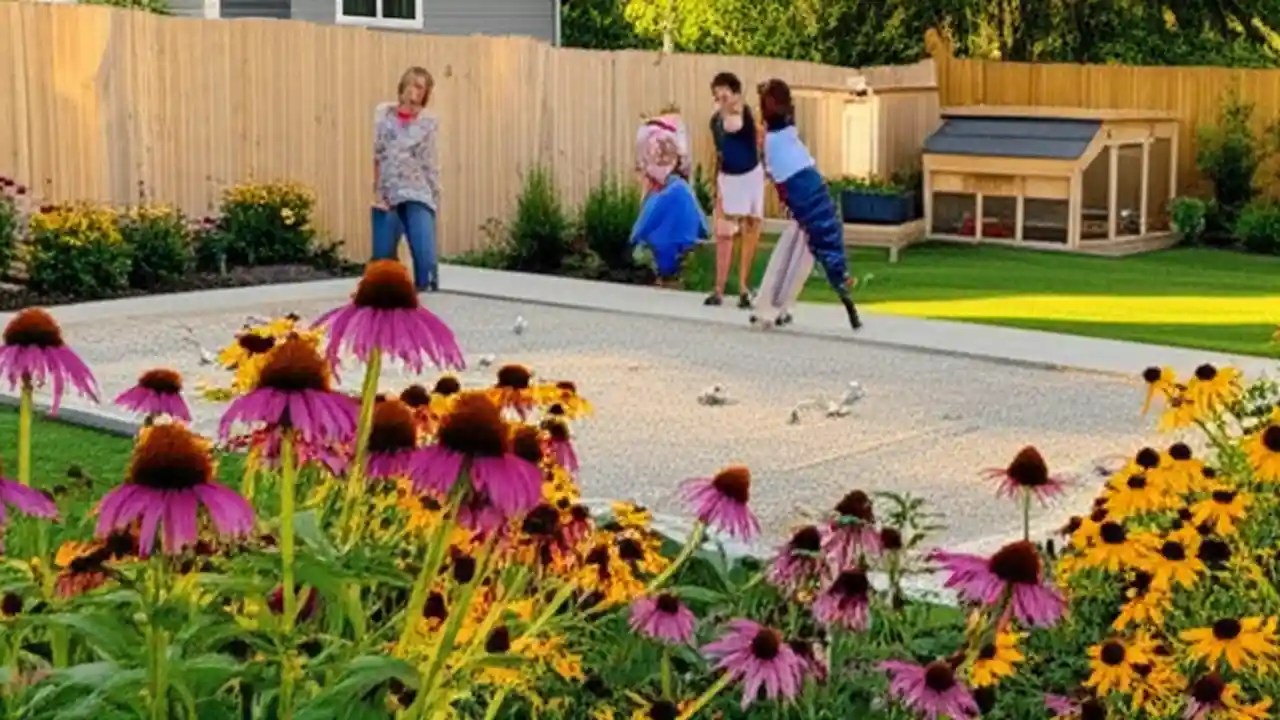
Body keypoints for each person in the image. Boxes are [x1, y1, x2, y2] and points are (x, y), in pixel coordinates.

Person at [757, 78, 862, 331]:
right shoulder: (788, 131)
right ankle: (839, 283)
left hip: (800, 189)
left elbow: (774, 173)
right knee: (822, 238)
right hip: (811, 180)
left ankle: (771, 307)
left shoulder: (771, 140)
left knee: (804, 244)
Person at [372, 66, 441, 292]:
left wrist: (434, 196)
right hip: (388, 194)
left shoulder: (427, 123)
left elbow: (429, 162)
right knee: (382, 263)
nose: (415, 91)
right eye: (412, 84)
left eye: (421, 87)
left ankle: (425, 295)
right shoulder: (383, 116)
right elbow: (378, 155)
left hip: (417, 193)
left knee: (425, 260)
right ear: (403, 86)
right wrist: (377, 193)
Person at [630, 109, 709, 287]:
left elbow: (644, 221)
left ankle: (663, 276)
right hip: (682, 243)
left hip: (663, 246)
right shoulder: (684, 190)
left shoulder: (661, 193)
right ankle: (673, 276)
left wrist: (635, 236)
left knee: (644, 250)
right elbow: (701, 220)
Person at [707, 72, 765, 309]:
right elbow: (721, 151)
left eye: (725, 94)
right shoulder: (716, 122)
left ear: (736, 95)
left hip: (750, 176)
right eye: (717, 96)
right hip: (728, 178)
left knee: (750, 229)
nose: (721, 99)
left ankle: (743, 287)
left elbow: (738, 126)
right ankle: (718, 289)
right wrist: (714, 184)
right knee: (724, 232)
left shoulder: (746, 114)